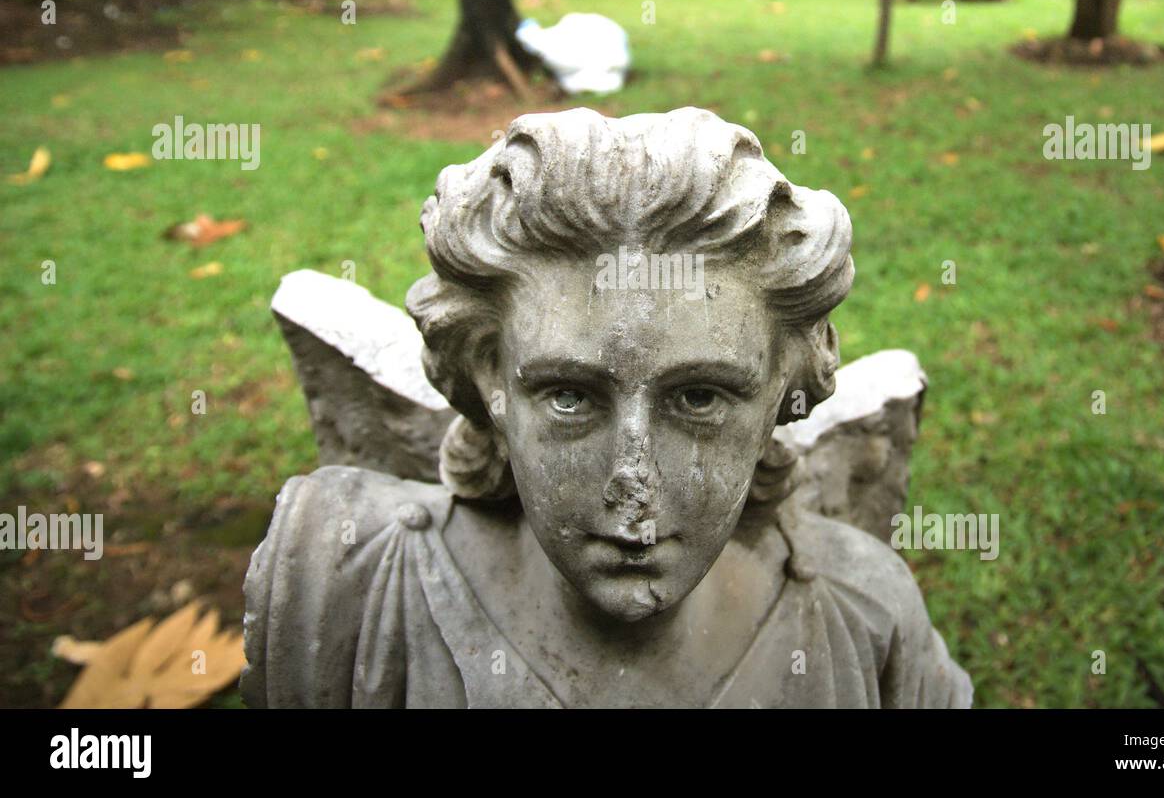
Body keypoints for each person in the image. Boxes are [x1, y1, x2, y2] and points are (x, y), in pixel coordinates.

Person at [242, 107, 973, 708]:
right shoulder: (340, 581)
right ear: (488, 378)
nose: (634, 490)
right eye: (568, 396)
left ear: (784, 390)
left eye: (698, 398)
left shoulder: (864, 619)